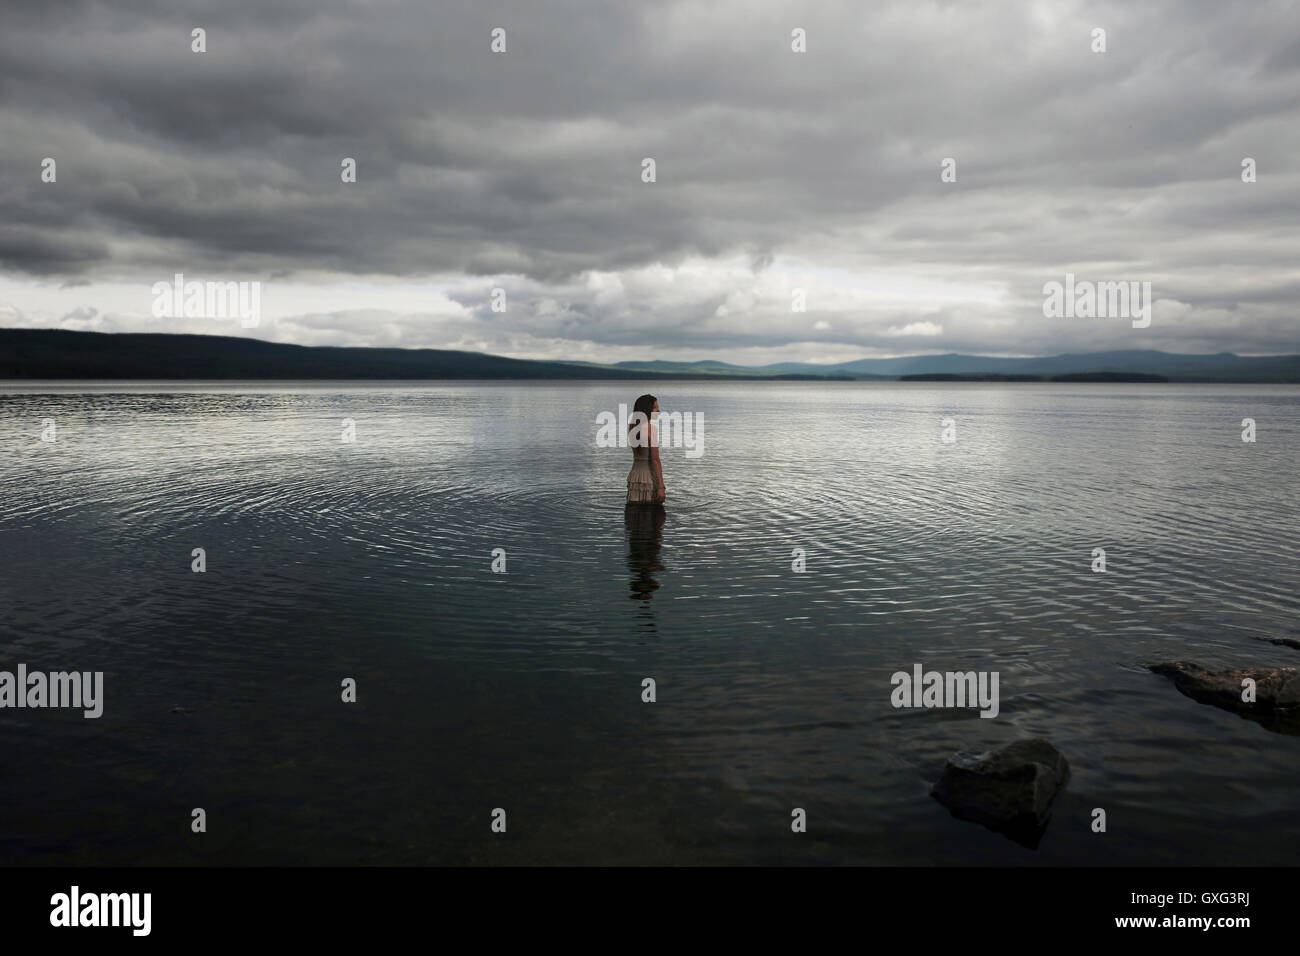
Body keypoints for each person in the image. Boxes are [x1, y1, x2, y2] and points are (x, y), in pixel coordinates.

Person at [626, 393, 666, 505]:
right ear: (647, 409)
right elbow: (655, 459)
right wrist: (661, 487)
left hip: (634, 477)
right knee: (650, 518)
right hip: (648, 478)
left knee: (635, 517)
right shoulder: (651, 429)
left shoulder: (632, 427)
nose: (658, 410)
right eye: (655, 407)